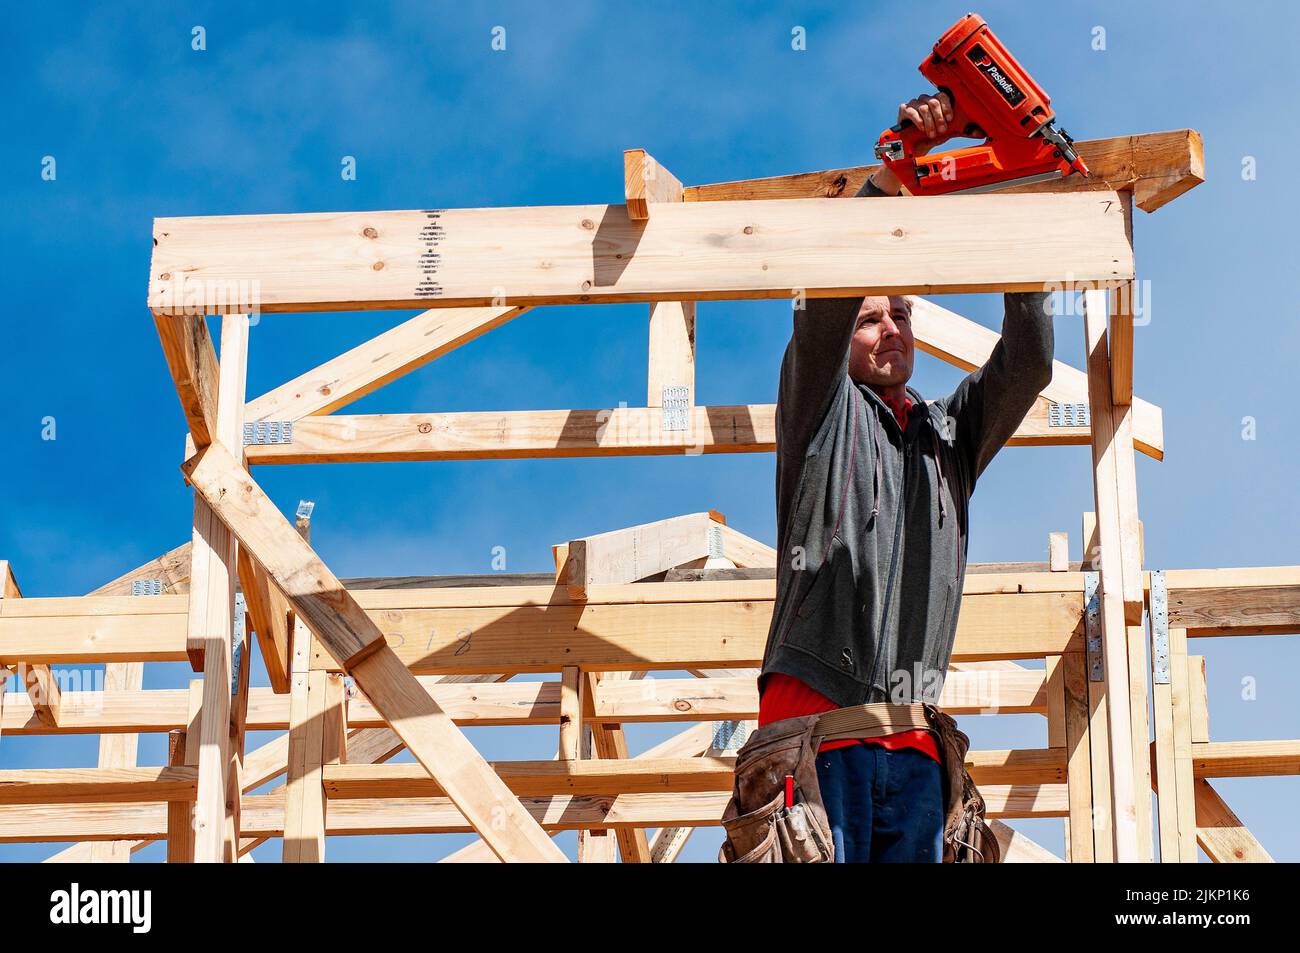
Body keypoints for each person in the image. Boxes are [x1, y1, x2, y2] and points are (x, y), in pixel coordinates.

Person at [756, 91, 1054, 862]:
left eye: (904, 315)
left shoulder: (946, 439)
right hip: (814, 730)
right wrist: (895, 171)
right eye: (870, 318)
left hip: (915, 743)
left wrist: (1015, 196)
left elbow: (1028, 363)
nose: (893, 328)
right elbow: (823, 302)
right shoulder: (819, 407)